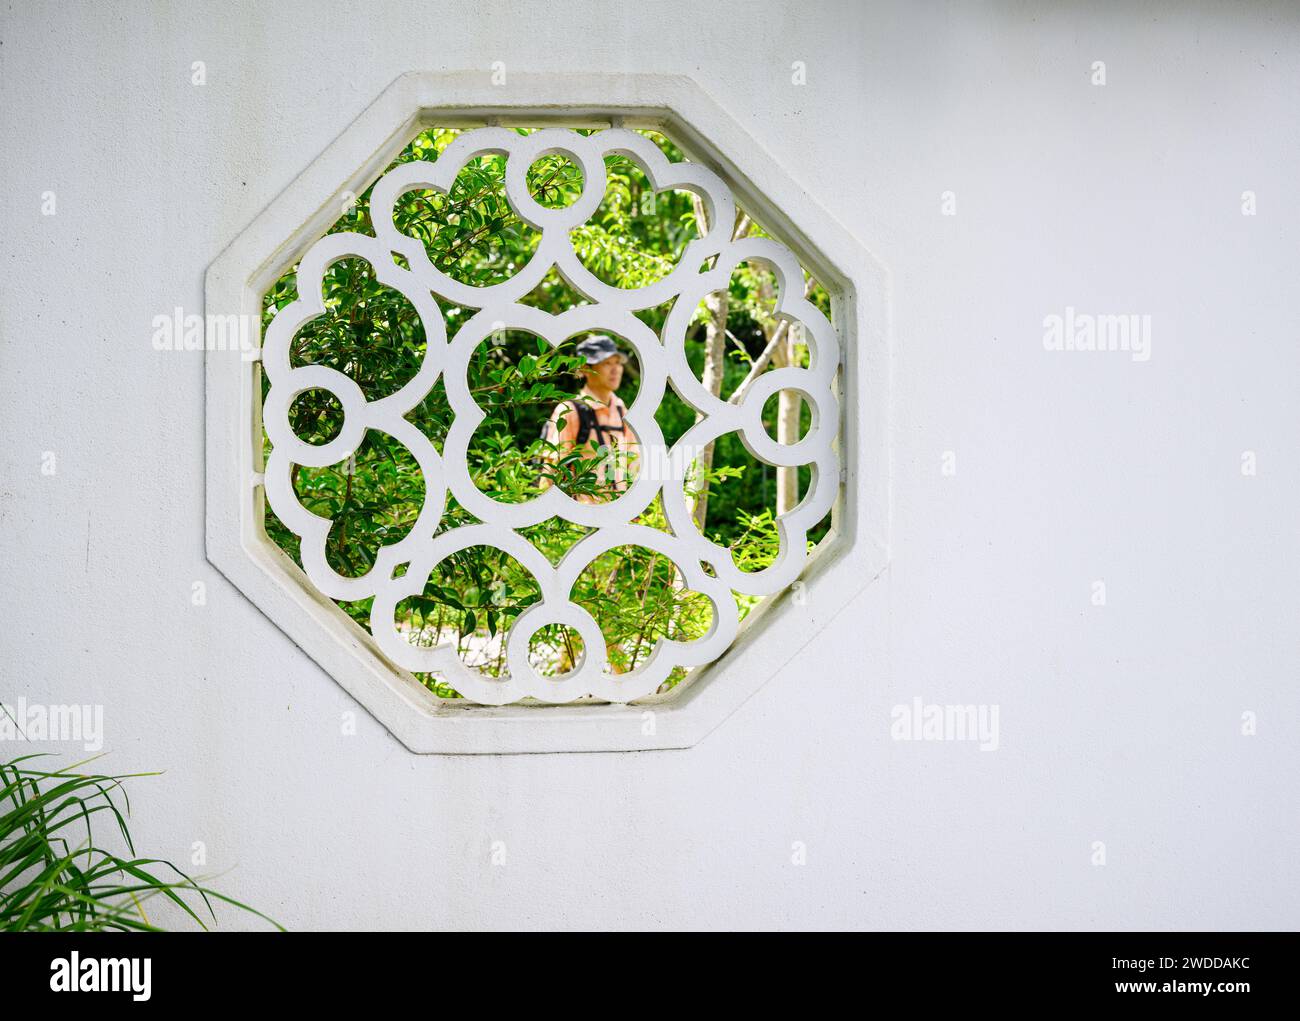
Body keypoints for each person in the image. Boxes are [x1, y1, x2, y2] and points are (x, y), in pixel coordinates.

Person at [541, 335, 640, 502]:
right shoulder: (569, 411)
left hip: (618, 518)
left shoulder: (622, 410)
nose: (615, 369)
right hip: (579, 519)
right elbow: (551, 472)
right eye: (607, 363)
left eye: (617, 362)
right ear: (585, 368)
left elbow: (635, 466)